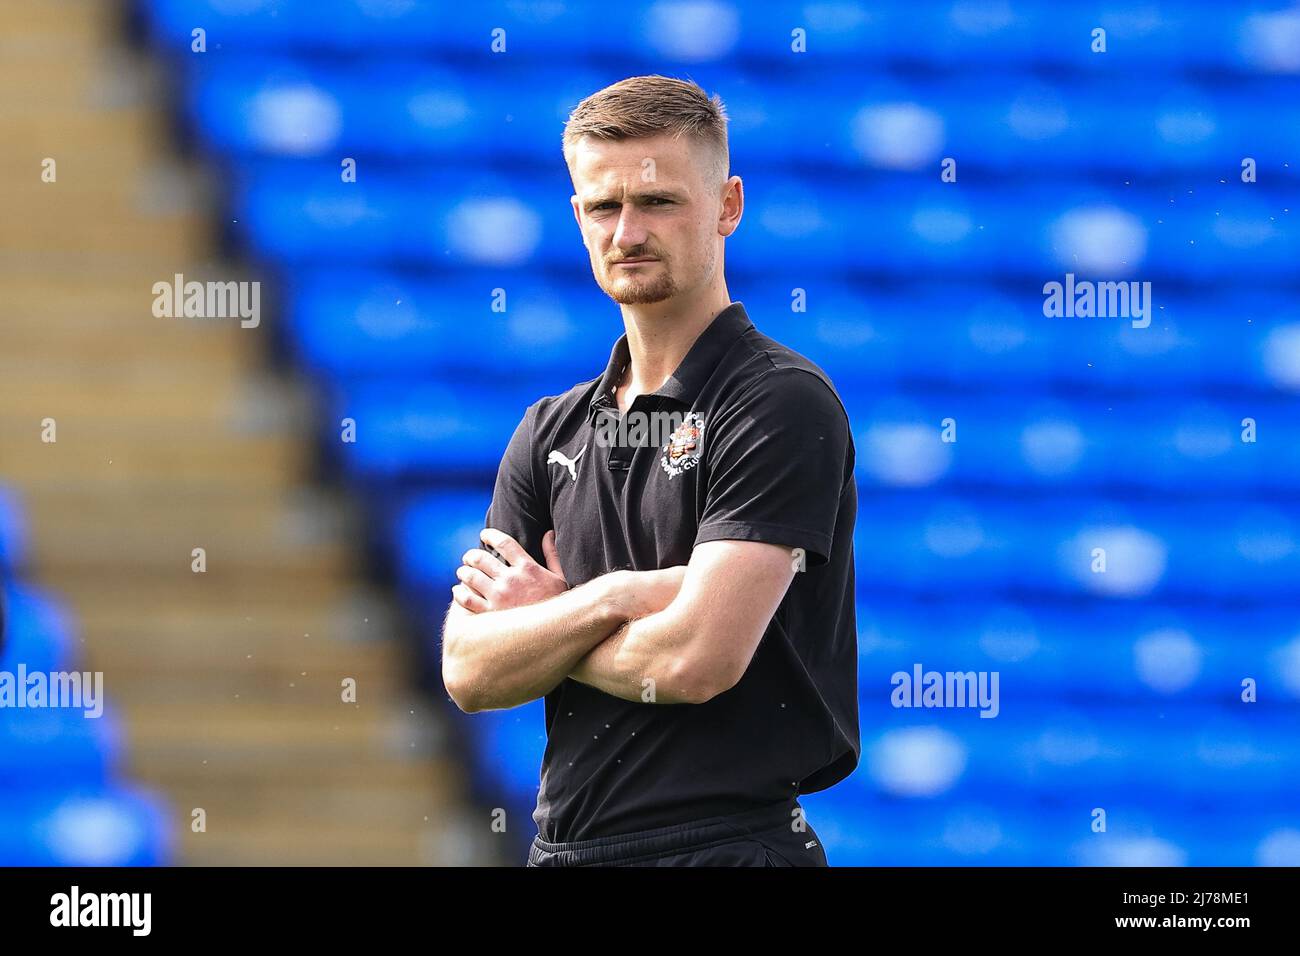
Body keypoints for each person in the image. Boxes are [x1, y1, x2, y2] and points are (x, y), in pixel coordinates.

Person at [441, 75, 858, 867]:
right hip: (563, 851)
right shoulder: (549, 429)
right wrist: (620, 596)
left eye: (659, 201)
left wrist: (557, 617)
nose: (627, 231)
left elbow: (696, 661)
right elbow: (470, 669)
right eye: (603, 207)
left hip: (724, 849)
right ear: (578, 217)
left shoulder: (779, 403)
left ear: (729, 205)